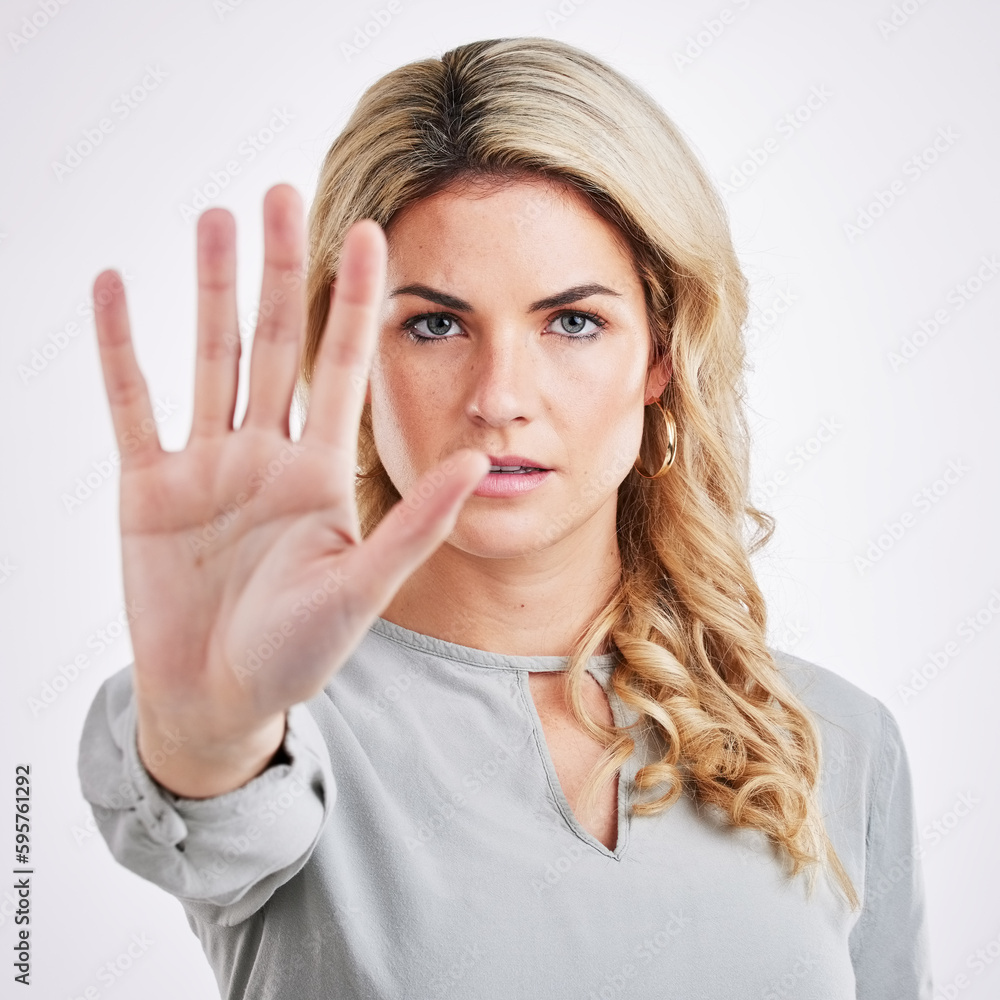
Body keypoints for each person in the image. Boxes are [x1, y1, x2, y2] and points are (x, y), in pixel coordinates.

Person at [77, 35, 932, 999]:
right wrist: (206, 727)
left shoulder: (837, 740)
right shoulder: (284, 716)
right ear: (355, 359)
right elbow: (206, 791)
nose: (500, 397)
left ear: (661, 353)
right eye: (436, 324)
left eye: (572, 321)